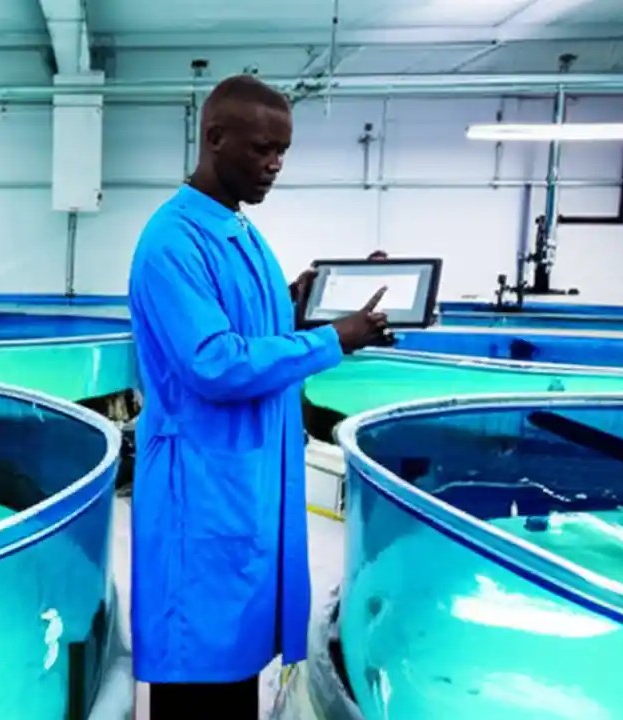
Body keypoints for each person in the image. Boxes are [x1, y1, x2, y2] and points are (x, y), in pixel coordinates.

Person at [126, 74, 390, 718]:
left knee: (236, 669)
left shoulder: (240, 234)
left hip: (243, 484)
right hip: (202, 490)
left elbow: (253, 333)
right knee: (200, 675)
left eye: (283, 152)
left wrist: (299, 301)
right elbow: (215, 362)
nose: (274, 165)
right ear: (214, 139)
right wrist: (335, 338)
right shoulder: (172, 241)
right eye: (261, 149)